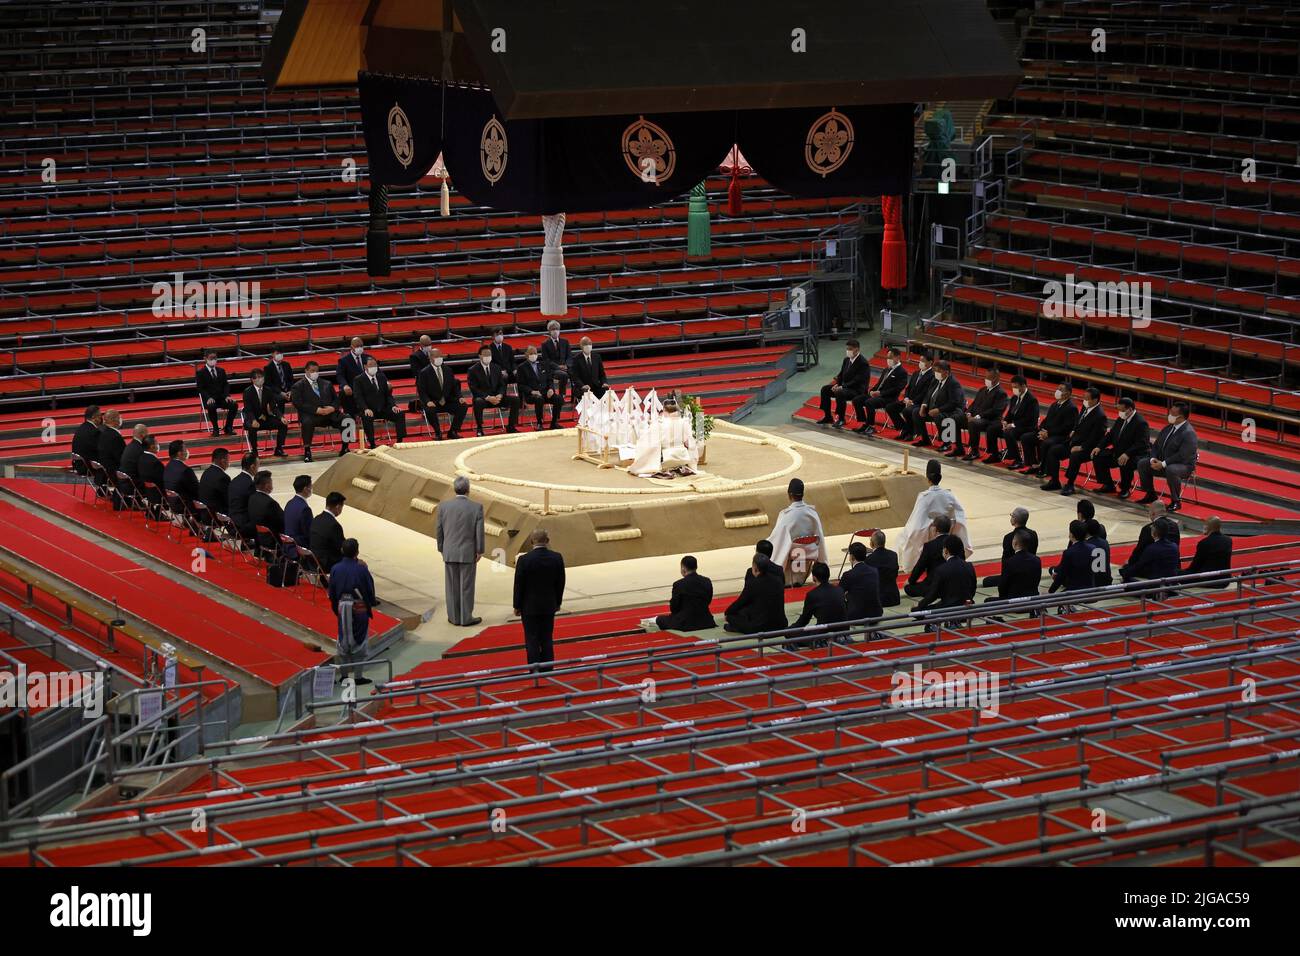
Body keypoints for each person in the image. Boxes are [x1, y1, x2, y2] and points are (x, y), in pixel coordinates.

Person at [897, 460, 973, 574]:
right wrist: (953, 526)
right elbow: (960, 517)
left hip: (932, 533)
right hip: (946, 531)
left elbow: (916, 523)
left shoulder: (924, 497)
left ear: (927, 478)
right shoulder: (949, 495)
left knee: (902, 537)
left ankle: (911, 564)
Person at [513, 528, 566, 672]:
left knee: (532, 639)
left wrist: (517, 605)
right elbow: (560, 582)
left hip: (529, 606)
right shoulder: (557, 557)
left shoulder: (524, 560)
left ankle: (534, 669)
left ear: (531, 542)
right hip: (549, 604)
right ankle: (548, 668)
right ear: (547, 541)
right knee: (547, 637)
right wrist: (558, 602)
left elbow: (519, 584)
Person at [436, 476, 485, 626]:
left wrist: (441, 548)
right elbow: (479, 532)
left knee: (451, 587)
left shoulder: (443, 507)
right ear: (468, 490)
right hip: (468, 552)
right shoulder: (477, 507)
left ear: (454, 489)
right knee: (467, 586)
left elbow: (439, 529)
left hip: (449, 551)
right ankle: (466, 618)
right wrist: (480, 550)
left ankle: (454, 617)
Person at [327, 538, 376, 685]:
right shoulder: (361, 569)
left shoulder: (335, 569)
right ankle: (358, 676)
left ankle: (344, 676)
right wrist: (369, 604)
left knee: (343, 639)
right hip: (359, 609)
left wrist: (337, 608)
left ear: (342, 551)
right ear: (357, 552)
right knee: (360, 641)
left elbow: (332, 593)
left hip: (342, 608)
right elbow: (369, 590)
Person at [1043, 387, 1107, 493]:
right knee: (1053, 450)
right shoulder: (1085, 407)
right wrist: (1073, 431)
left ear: (1095, 400)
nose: (1084, 401)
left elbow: (1096, 437)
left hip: (1087, 448)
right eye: (1084, 398)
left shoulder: (1100, 416)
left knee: (1075, 456)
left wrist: (1081, 447)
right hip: (1074, 442)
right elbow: (1078, 422)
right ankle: (1054, 481)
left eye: (1087, 399)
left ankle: (1070, 484)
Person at [1136, 401, 1198, 512]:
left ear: (1181, 417)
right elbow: (1156, 445)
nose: (1169, 415)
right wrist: (1153, 459)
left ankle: (1176, 501)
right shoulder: (1168, 428)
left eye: (1172, 413)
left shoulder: (1189, 433)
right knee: (1143, 463)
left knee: (1171, 469)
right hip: (1163, 462)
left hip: (1183, 466)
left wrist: (1163, 463)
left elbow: (1182, 455)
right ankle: (1150, 494)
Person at [768, 478, 826, 586]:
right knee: (796, 546)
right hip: (809, 551)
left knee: (770, 547)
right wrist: (823, 560)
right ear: (803, 494)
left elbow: (777, 538)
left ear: (789, 495)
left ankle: (790, 581)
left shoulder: (786, 515)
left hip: (793, 552)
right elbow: (820, 536)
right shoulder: (812, 513)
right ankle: (797, 580)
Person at [291, 360, 350, 462]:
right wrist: (316, 410)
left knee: (348, 419)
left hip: (329, 413)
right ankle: (307, 451)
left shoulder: (327, 383)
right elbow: (298, 403)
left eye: (316, 371)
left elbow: (336, 400)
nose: (315, 373)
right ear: (306, 371)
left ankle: (345, 447)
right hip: (311, 415)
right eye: (312, 370)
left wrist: (332, 408)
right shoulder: (298, 386)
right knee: (307, 422)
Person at [1091, 396, 1149, 497]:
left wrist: (1127, 454)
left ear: (1130, 409)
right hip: (1118, 451)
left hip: (1134, 454)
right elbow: (1111, 435)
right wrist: (1099, 447)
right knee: (1098, 456)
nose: (1120, 412)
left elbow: (1142, 443)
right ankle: (1108, 485)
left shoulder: (1141, 423)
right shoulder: (1121, 418)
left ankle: (1125, 489)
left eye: (1122, 410)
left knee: (1125, 462)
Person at [630, 395, 699, 478]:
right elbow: (689, 443)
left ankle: (661, 468)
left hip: (666, 457)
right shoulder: (684, 422)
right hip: (683, 457)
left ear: (664, 410)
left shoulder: (660, 423)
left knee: (647, 445)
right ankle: (679, 467)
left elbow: (650, 442)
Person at [1019, 382, 1077, 477]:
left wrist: (1048, 433)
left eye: (1061, 389)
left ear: (1068, 393)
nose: (1057, 391)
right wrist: (1042, 430)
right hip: (1047, 433)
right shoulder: (1054, 404)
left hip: (1060, 436)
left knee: (1046, 443)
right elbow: (1046, 420)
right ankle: (1034, 465)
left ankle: (1045, 469)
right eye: (1057, 388)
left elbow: (1066, 428)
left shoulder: (1071, 408)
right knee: (1026, 437)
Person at [723, 551, 788, 634]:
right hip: (781, 624)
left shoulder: (753, 584)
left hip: (761, 627)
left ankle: (734, 626)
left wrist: (727, 612)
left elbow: (740, 602)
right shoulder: (778, 580)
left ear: (755, 567)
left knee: (731, 617)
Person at [952, 364, 1007, 460]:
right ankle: (959, 447)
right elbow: (973, 404)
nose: (986, 379)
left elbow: (995, 411)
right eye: (986, 377)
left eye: (989, 377)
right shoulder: (982, 390)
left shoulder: (1001, 393)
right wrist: (968, 413)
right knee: (955, 418)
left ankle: (974, 451)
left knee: (973, 423)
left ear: (996, 378)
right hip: (976, 418)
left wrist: (977, 416)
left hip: (989, 420)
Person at [353, 355, 408, 448]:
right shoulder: (358, 379)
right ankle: (372, 443)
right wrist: (365, 408)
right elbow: (358, 397)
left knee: (400, 413)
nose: (373, 367)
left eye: (375, 365)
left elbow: (388, 395)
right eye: (371, 365)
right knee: (367, 417)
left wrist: (393, 406)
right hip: (369, 409)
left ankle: (400, 441)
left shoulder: (381, 377)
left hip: (383, 408)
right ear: (365, 366)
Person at [466, 345, 520, 436]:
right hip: (484, 399)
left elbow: (502, 384)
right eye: (485, 354)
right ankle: (479, 428)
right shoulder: (473, 370)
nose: (488, 357)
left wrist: (500, 395)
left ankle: (511, 426)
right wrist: (488, 397)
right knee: (478, 402)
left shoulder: (496, 367)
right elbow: (473, 388)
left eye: (489, 354)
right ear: (480, 356)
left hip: (497, 397)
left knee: (516, 400)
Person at [911, 359, 965, 450]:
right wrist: (923, 405)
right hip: (933, 408)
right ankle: (925, 439)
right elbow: (928, 394)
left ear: (946, 372)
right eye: (935, 370)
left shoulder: (953, 383)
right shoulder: (935, 379)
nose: (936, 373)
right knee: (916, 412)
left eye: (939, 371)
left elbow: (954, 403)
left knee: (939, 416)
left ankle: (946, 443)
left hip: (948, 411)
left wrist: (938, 410)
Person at [416, 348, 470, 439]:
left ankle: (453, 431)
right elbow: (421, 391)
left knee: (463, 406)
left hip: (447, 400)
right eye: (437, 356)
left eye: (440, 356)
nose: (439, 358)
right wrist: (427, 401)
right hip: (433, 402)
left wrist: (460, 397)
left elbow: (454, 386)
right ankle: (438, 432)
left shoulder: (448, 370)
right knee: (429, 409)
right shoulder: (424, 373)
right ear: (430, 358)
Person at [913, 535, 976, 612]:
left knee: (915, 611)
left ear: (946, 551)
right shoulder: (969, 566)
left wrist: (920, 605)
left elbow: (933, 595)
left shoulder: (941, 570)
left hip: (948, 608)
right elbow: (973, 588)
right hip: (967, 605)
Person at [853, 347, 908, 435]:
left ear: (897, 357)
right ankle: (865, 423)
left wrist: (880, 393)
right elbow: (879, 383)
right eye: (887, 357)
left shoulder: (902, 372)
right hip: (877, 395)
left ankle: (871, 426)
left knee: (869, 402)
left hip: (889, 398)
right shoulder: (886, 369)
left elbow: (897, 389)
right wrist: (872, 390)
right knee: (857, 400)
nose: (888, 360)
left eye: (891, 357)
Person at [652, 555, 715, 631]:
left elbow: (674, 608)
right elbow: (708, 600)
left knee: (659, 619)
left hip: (686, 623)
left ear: (683, 569)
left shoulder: (679, 584)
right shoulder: (706, 580)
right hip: (706, 620)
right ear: (696, 567)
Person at [816, 338, 869, 428]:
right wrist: (838, 384)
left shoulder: (863, 363)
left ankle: (841, 418)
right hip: (845, 387)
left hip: (857, 390)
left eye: (850, 349)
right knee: (825, 389)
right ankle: (828, 416)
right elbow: (841, 374)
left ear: (857, 349)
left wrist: (842, 387)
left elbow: (857, 380)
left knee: (840, 392)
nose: (848, 351)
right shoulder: (846, 360)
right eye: (847, 349)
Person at [790, 562, 847, 646]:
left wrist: (791, 628)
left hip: (824, 631)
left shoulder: (812, 594)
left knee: (790, 633)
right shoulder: (839, 590)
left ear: (814, 577)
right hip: (842, 630)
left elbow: (804, 620)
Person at [986, 376, 1039, 466]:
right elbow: (1010, 413)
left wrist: (1013, 425)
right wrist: (1006, 421)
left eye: (1016, 387)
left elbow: (1030, 419)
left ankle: (1018, 459)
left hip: (1026, 427)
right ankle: (995, 454)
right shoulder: (1015, 398)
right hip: (1014, 425)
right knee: (992, 428)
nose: (1014, 389)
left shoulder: (1032, 400)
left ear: (1023, 386)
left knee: (1009, 432)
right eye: (1013, 387)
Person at [982, 507, 1037, 589]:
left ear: (1014, 519)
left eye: (1011, 516)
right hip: (1030, 572)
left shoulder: (1009, 537)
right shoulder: (1033, 534)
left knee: (986, 581)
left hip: (1013, 575)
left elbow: (1005, 562)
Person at [888, 350, 935, 441]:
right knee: (890, 407)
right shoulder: (916, 373)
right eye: (920, 360)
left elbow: (925, 393)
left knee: (907, 411)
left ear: (930, 362)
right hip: (909, 400)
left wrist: (912, 402)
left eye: (923, 361)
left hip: (919, 403)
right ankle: (905, 428)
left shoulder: (932, 376)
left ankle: (912, 432)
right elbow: (908, 388)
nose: (920, 362)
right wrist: (906, 398)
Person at [242, 366, 288, 458]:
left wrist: (281, 417)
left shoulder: (268, 390)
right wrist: (254, 420)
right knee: (251, 427)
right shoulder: (247, 392)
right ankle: (254, 451)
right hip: (252, 418)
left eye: (261, 377)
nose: (260, 379)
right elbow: (248, 409)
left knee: (283, 424)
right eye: (257, 377)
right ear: (252, 380)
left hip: (265, 418)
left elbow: (273, 407)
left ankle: (279, 448)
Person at [516, 344, 564, 430]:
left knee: (559, 398)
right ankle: (539, 423)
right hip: (531, 395)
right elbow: (520, 385)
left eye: (535, 353)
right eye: (531, 353)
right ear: (526, 355)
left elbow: (550, 380)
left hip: (545, 392)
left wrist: (551, 389)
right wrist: (532, 391)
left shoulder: (543, 364)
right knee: (539, 399)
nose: (533, 355)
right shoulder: (521, 368)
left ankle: (554, 423)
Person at [903, 515, 952, 598]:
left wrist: (910, 581)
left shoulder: (930, 546)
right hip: (954, 583)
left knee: (908, 588)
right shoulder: (957, 542)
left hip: (935, 585)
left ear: (935, 529)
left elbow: (920, 567)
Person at [1121, 517, 1180, 583]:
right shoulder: (1174, 546)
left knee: (1127, 570)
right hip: (1171, 576)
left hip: (1157, 578)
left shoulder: (1152, 548)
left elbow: (1139, 565)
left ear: (1154, 532)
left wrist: (1126, 571)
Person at [196, 351, 237, 437]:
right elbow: (201, 389)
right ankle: (215, 428)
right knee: (211, 406)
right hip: (209, 399)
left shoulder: (221, 371)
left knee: (234, 404)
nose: (213, 360)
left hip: (221, 398)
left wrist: (227, 396)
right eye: (211, 358)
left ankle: (228, 427)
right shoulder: (200, 373)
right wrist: (208, 398)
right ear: (205, 359)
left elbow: (226, 384)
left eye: (215, 358)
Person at [1049, 520, 1096, 593]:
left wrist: (1050, 592)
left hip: (1075, 590)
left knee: (1054, 571)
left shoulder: (1069, 553)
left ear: (1071, 534)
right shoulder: (1093, 548)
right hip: (1090, 587)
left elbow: (1061, 577)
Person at [839, 543, 882, 622]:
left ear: (852, 557)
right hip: (876, 614)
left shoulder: (848, 575)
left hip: (856, 616)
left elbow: (838, 595)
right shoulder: (874, 571)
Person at [996, 528, 1041, 601]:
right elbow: (1037, 581)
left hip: (1014, 601)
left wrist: (1003, 599)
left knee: (987, 601)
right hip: (1033, 599)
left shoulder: (1009, 562)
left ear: (1015, 543)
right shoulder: (1037, 560)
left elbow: (1002, 586)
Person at [247, 469, 285, 557]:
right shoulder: (270, 503)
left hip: (258, 538)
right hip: (272, 540)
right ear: (267, 486)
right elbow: (283, 521)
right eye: (271, 483)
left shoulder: (252, 498)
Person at [1185, 516, 1232, 585]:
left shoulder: (1204, 543)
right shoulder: (1228, 540)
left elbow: (1194, 567)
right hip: (1224, 579)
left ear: (1208, 527)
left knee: (1176, 573)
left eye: (1205, 525)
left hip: (1208, 580)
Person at [310, 491, 347, 572]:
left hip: (313, 559)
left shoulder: (317, 518)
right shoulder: (334, 525)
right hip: (326, 563)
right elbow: (343, 547)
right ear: (338, 507)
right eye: (342, 507)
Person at [863, 530, 900, 607]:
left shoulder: (869, 559)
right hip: (894, 598)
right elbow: (895, 574)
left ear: (872, 543)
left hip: (878, 600)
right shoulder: (893, 555)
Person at [335, 336, 369, 418]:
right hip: (352, 389)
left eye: (361, 346)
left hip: (367, 388)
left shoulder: (368, 358)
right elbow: (340, 375)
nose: (360, 348)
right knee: (344, 392)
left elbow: (378, 372)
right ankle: (350, 416)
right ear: (351, 347)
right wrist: (345, 385)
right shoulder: (344, 361)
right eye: (357, 346)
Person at [227, 451, 259, 535]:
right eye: (258, 466)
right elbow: (254, 507)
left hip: (232, 522)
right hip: (243, 526)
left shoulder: (234, 480)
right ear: (252, 467)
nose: (258, 468)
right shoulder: (250, 484)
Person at [540, 320, 573, 400]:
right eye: (553, 329)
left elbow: (569, 356)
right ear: (549, 331)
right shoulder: (545, 344)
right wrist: (558, 367)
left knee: (576, 373)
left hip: (565, 366)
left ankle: (575, 397)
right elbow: (546, 360)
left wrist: (566, 365)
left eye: (557, 329)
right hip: (553, 369)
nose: (555, 331)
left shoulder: (565, 342)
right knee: (563, 375)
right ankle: (562, 395)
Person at [163, 439, 200, 508]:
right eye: (185, 449)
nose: (187, 451)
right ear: (179, 453)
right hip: (186, 505)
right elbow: (197, 490)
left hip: (172, 502)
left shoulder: (168, 466)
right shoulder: (186, 470)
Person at [198, 447, 231, 519]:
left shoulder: (206, 472)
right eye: (228, 460)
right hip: (216, 515)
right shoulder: (223, 477)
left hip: (204, 511)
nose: (229, 463)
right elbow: (228, 500)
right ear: (223, 461)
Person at [136, 436, 166, 512]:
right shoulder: (155, 462)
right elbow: (162, 479)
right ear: (152, 447)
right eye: (157, 443)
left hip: (147, 490)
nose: (158, 445)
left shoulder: (141, 457)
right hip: (157, 492)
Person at [283, 474, 314, 549]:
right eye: (311, 486)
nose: (312, 488)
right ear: (305, 489)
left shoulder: (289, 503)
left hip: (287, 545)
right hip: (299, 547)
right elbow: (309, 533)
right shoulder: (305, 509)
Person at [71, 405, 102, 474]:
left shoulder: (80, 428)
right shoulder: (94, 431)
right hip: (88, 468)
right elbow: (101, 450)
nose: (101, 418)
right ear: (94, 417)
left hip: (78, 465)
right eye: (100, 415)